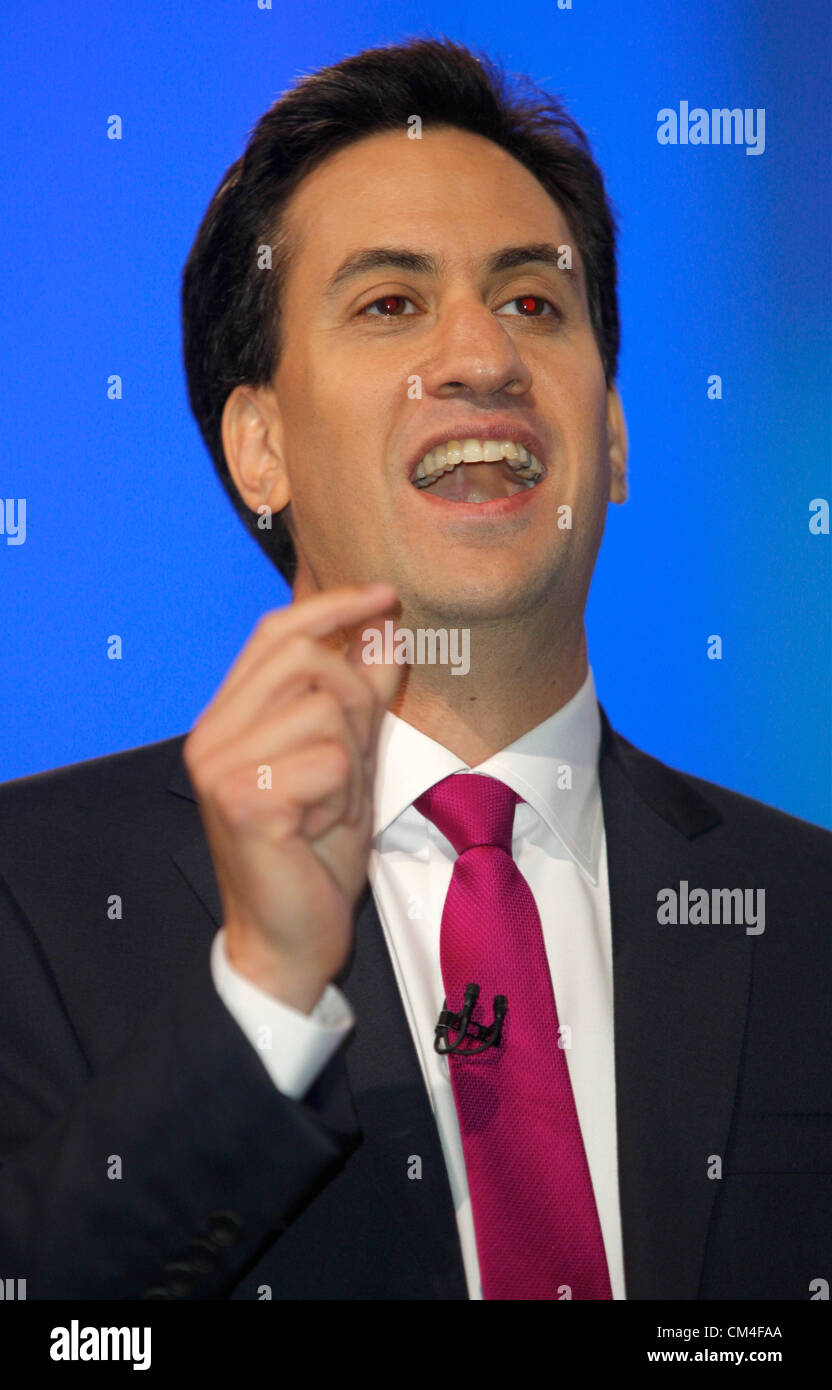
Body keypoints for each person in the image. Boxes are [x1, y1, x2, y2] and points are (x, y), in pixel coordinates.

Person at [1, 36, 829, 1302]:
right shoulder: (31, 902)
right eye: (390, 303)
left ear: (610, 436)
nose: (482, 359)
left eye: (533, 303)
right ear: (258, 446)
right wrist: (265, 998)